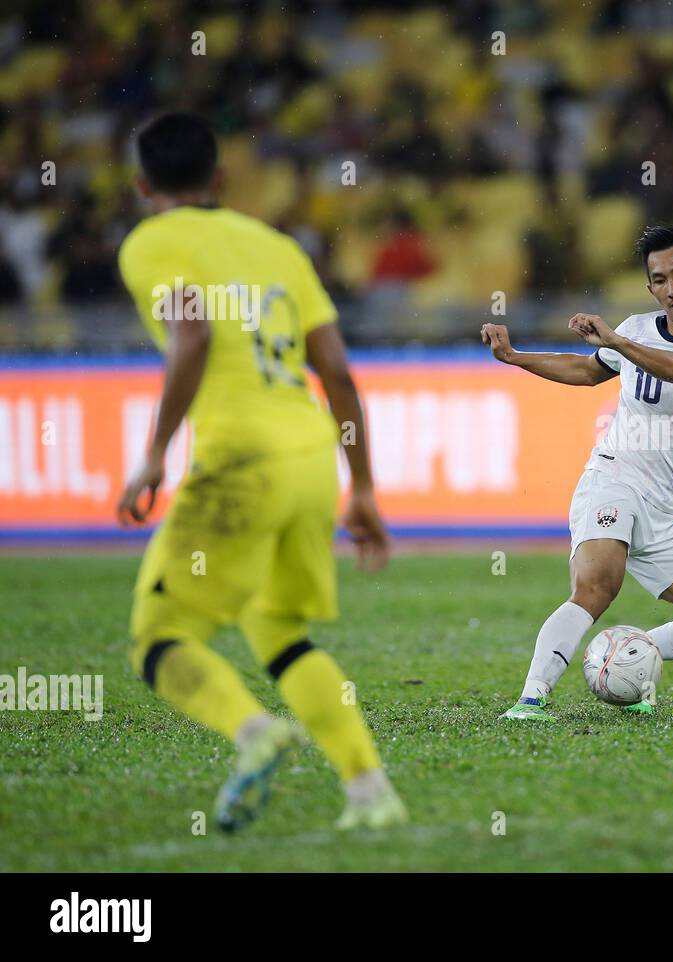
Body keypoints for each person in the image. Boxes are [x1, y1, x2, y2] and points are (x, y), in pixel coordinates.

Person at [116, 112, 405, 828]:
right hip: (310, 456)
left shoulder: (152, 241)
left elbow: (192, 334)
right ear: (219, 179)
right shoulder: (278, 246)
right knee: (280, 634)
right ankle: (372, 795)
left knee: (157, 638)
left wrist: (154, 451)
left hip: (242, 459)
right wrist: (362, 487)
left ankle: (255, 733)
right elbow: (336, 372)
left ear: (140, 183)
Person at [483, 226, 673, 720]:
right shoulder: (635, 329)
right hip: (614, 480)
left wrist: (615, 340)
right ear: (650, 288)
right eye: (659, 280)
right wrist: (514, 357)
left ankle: (628, 652)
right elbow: (588, 371)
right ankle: (531, 698)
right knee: (595, 587)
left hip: (666, 512)